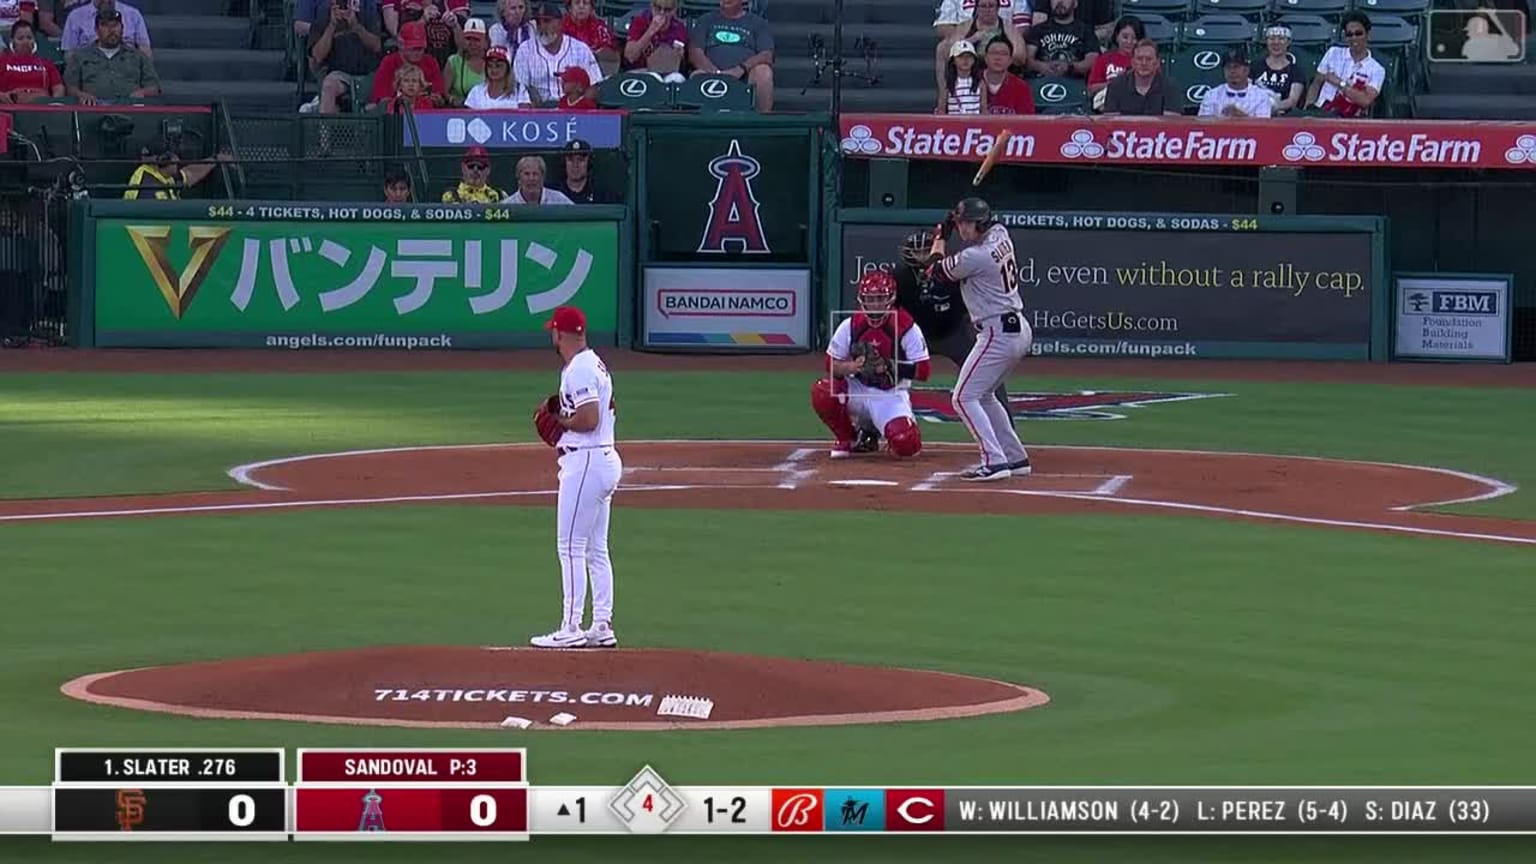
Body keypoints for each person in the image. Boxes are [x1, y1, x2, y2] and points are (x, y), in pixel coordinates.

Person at [532, 304, 622, 649]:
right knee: (596, 549)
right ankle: (601, 624)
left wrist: (562, 423)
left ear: (560, 334)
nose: (552, 338)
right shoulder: (591, 363)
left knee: (570, 546)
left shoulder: (580, 370)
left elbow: (588, 419)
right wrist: (561, 413)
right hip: (602, 460)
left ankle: (571, 626)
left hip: (585, 463)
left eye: (552, 332)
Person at [925, 196, 1032, 481]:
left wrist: (940, 237)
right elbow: (989, 225)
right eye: (959, 222)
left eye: (965, 223)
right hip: (1017, 329)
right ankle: (1015, 457)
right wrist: (962, 217)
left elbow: (934, 272)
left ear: (978, 223)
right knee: (983, 395)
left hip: (997, 332)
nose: (961, 228)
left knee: (962, 398)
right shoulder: (1000, 234)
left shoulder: (976, 257)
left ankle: (994, 461)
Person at [894, 228, 1013, 425]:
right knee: (882, 367)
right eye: (917, 252)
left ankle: (1007, 426)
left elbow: (970, 301)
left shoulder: (952, 269)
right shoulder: (900, 276)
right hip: (914, 335)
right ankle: (869, 430)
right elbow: (892, 309)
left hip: (952, 331)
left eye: (926, 250)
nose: (922, 256)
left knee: (988, 374)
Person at [811, 270, 931, 460]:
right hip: (859, 387)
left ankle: (873, 429)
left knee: (906, 443)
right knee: (823, 390)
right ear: (862, 299)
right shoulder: (850, 325)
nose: (875, 304)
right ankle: (848, 438)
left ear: (890, 299)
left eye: (880, 298)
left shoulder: (907, 327)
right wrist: (853, 367)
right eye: (870, 298)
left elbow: (924, 371)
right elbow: (831, 364)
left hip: (890, 393)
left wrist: (890, 366)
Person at [687, 0, 774, 113]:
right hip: (710, 73)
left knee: (764, 72)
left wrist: (740, 69)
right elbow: (695, 51)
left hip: (744, 76)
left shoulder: (758, 23)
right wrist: (716, 73)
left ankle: (761, 123)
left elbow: (766, 55)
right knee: (696, 75)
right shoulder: (705, 20)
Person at [63, 4, 157, 104]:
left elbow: (154, 87)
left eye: (115, 25)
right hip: (93, 109)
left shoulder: (138, 57)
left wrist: (142, 92)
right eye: (105, 25)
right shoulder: (80, 57)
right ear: (96, 30)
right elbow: (70, 87)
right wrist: (81, 95)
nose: (111, 30)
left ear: (122, 29)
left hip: (130, 109)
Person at [513, 1, 601, 106]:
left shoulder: (580, 49)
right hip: (538, 110)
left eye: (547, 21)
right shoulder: (525, 50)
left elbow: (594, 85)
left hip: (571, 110)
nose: (542, 26)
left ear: (560, 23)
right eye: (538, 22)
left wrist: (578, 106)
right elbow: (519, 87)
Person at [1305, 11, 1383, 118]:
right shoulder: (1333, 53)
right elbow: (1316, 84)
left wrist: (1340, 83)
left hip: (1349, 119)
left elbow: (1365, 100)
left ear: (1368, 35)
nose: (1354, 38)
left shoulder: (1377, 69)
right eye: (1349, 34)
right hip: (1319, 113)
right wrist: (1308, 107)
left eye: (1358, 33)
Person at [123, 140, 231, 200]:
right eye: (175, 156)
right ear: (163, 161)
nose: (178, 160)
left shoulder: (160, 173)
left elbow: (190, 174)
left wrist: (217, 159)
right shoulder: (149, 190)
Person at [1101, 38, 1178, 115]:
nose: (1144, 63)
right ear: (1132, 62)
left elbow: (1172, 122)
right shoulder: (1117, 85)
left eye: (1149, 59)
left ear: (1157, 63)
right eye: (1139, 59)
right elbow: (1111, 122)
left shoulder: (1169, 86)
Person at [1024, 0, 1097, 79]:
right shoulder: (1038, 30)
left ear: (1075, 3)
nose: (1060, 2)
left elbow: (1093, 60)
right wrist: (1041, 66)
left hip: (1075, 84)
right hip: (1041, 81)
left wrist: (1070, 67)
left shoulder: (1085, 31)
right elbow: (1027, 59)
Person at [0, 19, 65, 102]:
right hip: (10, 106)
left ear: (34, 40)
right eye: (20, 38)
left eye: (29, 38)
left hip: (41, 106)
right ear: (12, 41)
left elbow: (58, 86)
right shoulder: (2, 61)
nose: (25, 42)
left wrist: (53, 103)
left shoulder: (46, 63)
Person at [1087, 14, 1141, 111]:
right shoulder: (1104, 59)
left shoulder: (1144, 60)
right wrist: (1114, 84)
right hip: (1107, 108)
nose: (1129, 42)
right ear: (1116, 37)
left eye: (1134, 38)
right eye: (1125, 37)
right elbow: (1091, 89)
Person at [1198, 47, 1271, 118]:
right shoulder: (1212, 95)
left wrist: (1241, 117)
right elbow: (1203, 125)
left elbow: (1263, 126)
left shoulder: (1261, 96)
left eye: (1236, 67)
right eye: (1228, 67)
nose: (1232, 71)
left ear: (1247, 70)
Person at [1252, 24, 1304, 114]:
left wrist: (1270, 107)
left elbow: (1292, 100)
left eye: (1281, 39)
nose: (1276, 43)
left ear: (1288, 42)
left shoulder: (1296, 71)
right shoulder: (1255, 66)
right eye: (1272, 38)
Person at [980, 34, 1034, 114]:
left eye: (1003, 54)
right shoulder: (973, 81)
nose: (998, 58)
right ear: (985, 58)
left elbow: (1027, 121)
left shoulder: (1021, 87)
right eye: (994, 53)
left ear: (1010, 60)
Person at [463, 44, 530, 107]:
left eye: (498, 66)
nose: (493, 70)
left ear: (508, 68)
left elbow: (525, 115)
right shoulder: (476, 91)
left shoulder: (519, 90)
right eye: (490, 65)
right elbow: (468, 117)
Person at [442, 16, 488, 106]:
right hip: (459, 111)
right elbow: (443, 92)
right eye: (468, 39)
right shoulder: (454, 62)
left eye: (476, 40)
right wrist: (452, 99)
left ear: (485, 42)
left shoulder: (492, 63)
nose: (472, 43)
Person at [441, 145, 506, 202]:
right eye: (471, 166)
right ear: (463, 168)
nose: (475, 170)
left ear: (488, 170)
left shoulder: (499, 196)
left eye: (480, 167)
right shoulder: (451, 196)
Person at [503, 154, 574, 204]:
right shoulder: (507, 205)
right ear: (519, 178)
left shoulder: (560, 200)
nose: (531, 178)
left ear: (542, 177)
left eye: (535, 174)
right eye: (527, 174)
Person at [938, 38, 983, 114]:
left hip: (975, 124)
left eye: (969, 56)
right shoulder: (947, 85)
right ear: (953, 61)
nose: (965, 60)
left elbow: (983, 109)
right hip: (953, 124)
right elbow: (941, 110)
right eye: (960, 56)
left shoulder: (980, 83)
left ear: (974, 60)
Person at [556, 138, 603, 202]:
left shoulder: (601, 195)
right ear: (564, 163)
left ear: (589, 163)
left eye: (580, 160)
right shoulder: (555, 193)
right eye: (570, 160)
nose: (575, 165)